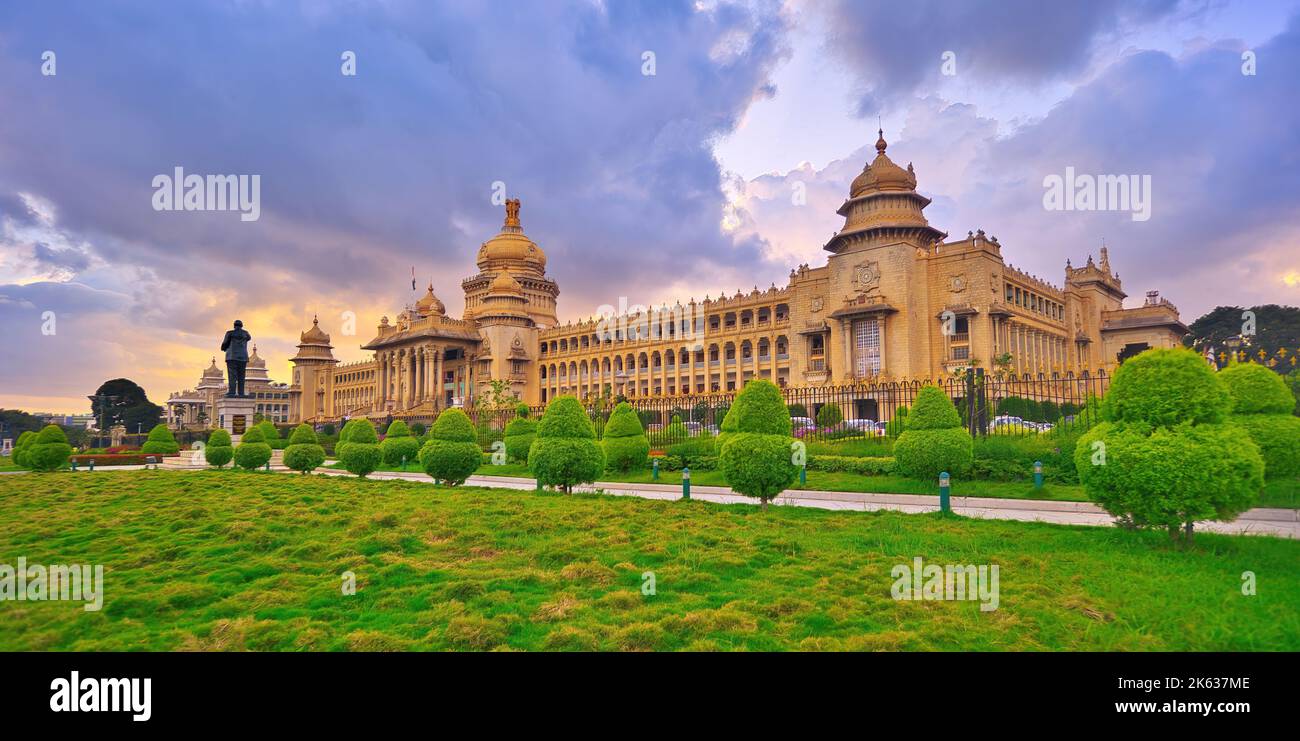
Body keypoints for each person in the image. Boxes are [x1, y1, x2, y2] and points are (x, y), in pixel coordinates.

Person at [221, 320, 252, 397]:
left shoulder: (230, 333)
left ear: (234, 326)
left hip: (232, 357)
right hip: (243, 357)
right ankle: (241, 393)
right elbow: (249, 338)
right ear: (241, 326)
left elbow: (225, 343)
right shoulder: (246, 333)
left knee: (232, 375)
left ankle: (232, 392)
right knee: (241, 376)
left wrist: (224, 348)